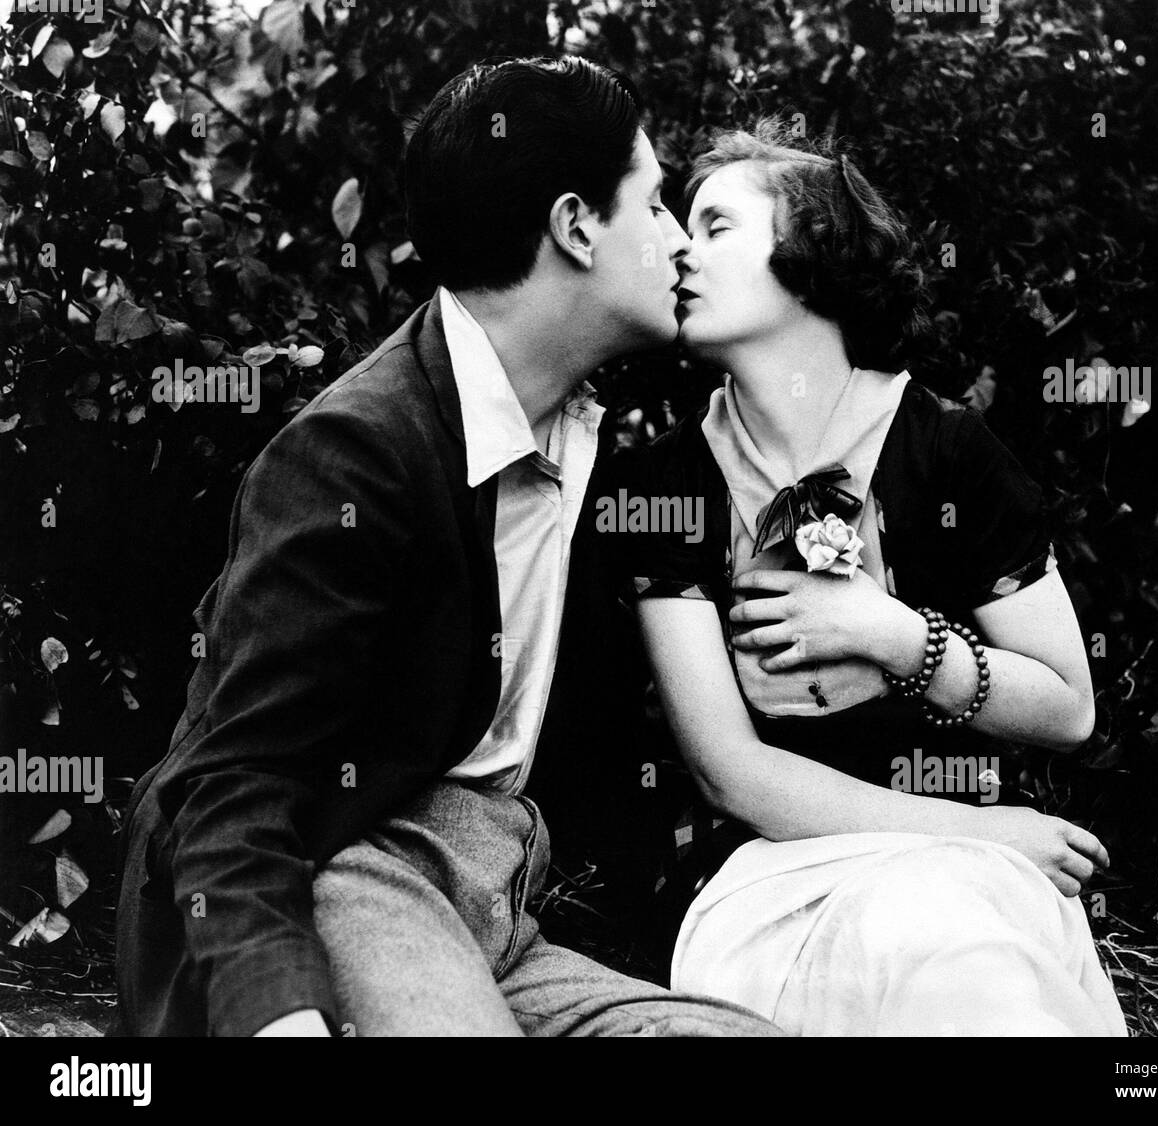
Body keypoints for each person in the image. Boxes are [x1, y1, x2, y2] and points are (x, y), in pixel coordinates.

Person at [112, 57, 782, 1038]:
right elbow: (231, 786)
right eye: (656, 205)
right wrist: (279, 1016)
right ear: (576, 225)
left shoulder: (591, 434)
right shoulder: (357, 455)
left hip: (499, 907)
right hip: (343, 870)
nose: (679, 243)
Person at [617, 118, 1127, 1035]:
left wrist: (889, 633)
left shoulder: (947, 450)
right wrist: (977, 831)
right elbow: (728, 770)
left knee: (964, 967)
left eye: (718, 224)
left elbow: (1067, 709)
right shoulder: (667, 484)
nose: (681, 250)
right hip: (779, 875)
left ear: (813, 250)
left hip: (964, 880)